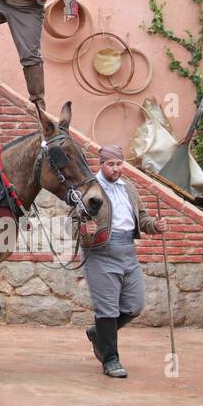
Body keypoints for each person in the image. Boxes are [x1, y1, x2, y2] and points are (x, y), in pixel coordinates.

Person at [79, 145, 167, 378]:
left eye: (119, 164)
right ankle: (110, 359)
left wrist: (155, 226)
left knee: (135, 305)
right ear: (102, 164)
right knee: (107, 309)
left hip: (128, 251)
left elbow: (142, 216)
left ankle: (99, 334)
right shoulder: (90, 188)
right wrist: (84, 230)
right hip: (100, 253)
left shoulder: (128, 187)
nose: (116, 168)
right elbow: (73, 222)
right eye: (111, 164)